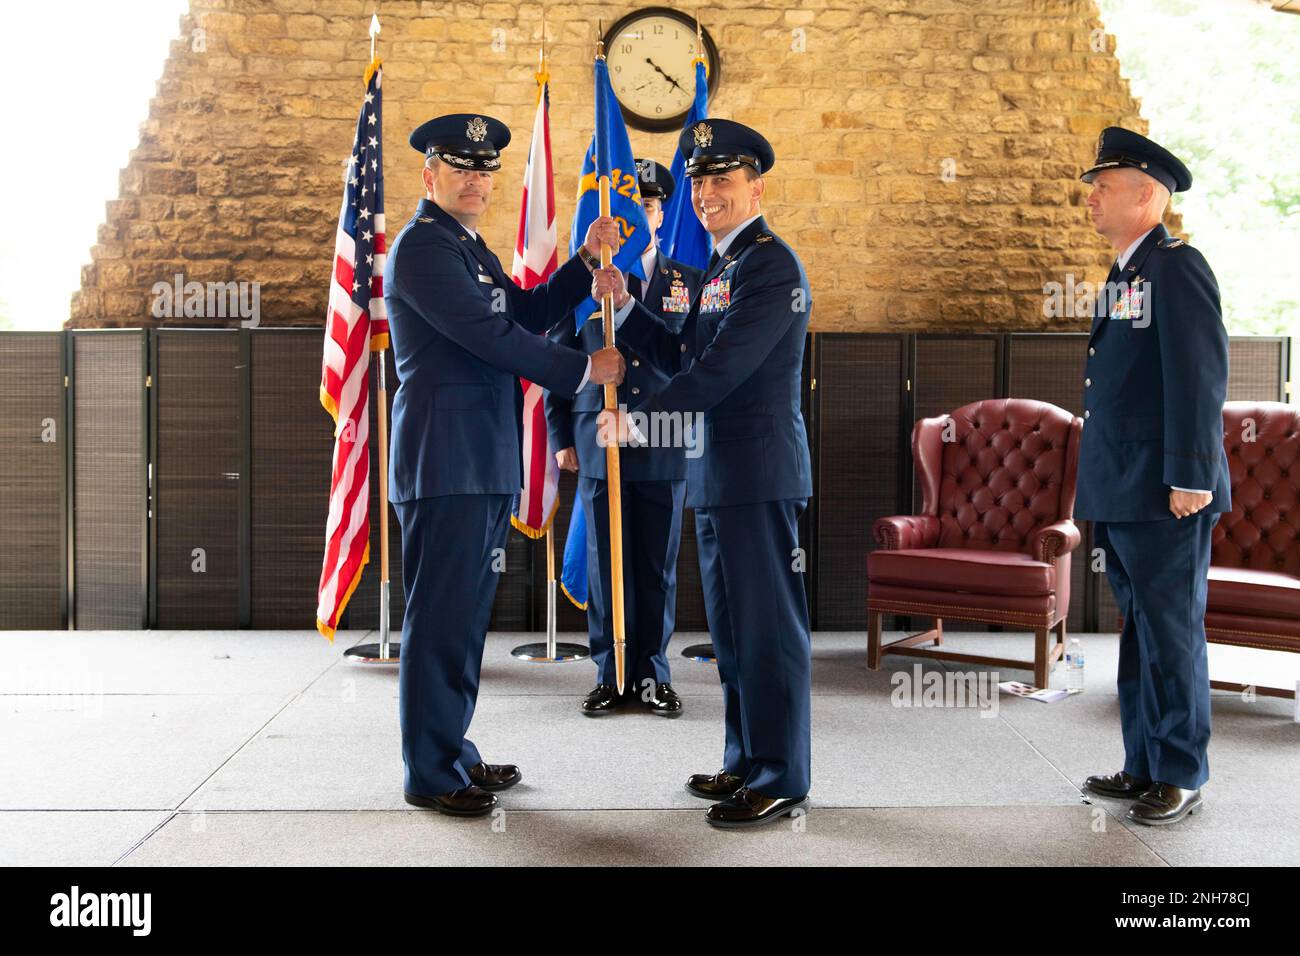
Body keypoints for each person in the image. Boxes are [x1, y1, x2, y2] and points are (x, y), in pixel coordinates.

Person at [384, 113, 625, 817]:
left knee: (462, 621)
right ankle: (429, 772)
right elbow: (492, 337)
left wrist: (582, 264)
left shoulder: (468, 248)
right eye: (460, 168)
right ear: (429, 176)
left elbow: (521, 310)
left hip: (480, 459)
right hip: (445, 460)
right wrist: (584, 368)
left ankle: (451, 751)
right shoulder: (424, 249)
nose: (474, 180)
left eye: (484, 170)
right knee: (440, 620)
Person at [593, 119, 814, 828]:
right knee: (732, 628)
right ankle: (745, 758)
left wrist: (639, 416)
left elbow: (718, 370)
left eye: (722, 179)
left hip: (758, 473)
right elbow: (682, 343)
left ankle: (781, 774)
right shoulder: (721, 267)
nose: (707, 192)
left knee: (768, 630)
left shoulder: (771, 266)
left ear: (755, 185)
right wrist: (627, 304)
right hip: (715, 471)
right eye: (699, 182)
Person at [1075, 126, 1231, 826]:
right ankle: (1143, 764)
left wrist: (1191, 477)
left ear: (1146, 195)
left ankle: (1181, 772)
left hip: (1167, 491)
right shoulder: (1127, 272)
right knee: (1137, 632)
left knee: (1172, 634)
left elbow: (1198, 381)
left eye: (1101, 189)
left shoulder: (1176, 267)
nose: (1090, 201)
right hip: (1126, 485)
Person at [544, 159, 702, 718]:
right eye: (635, 206)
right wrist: (561, 431)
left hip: (660, 438)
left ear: (659, 214)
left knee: (655, 564)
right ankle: (610, 674)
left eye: (652, 206)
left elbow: (690, 361)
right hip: (595, 438)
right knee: (603, 561)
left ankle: (653, 676)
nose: (643, 216)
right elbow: (558, 358)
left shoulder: (687, 282)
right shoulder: (585, 277)